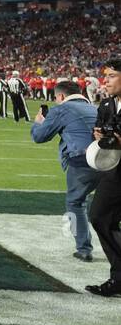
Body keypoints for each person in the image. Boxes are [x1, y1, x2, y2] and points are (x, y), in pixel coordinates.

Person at [31, 79, 102, 262]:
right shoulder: (96, 108)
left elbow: (40, 137)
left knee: (75, 203)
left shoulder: (61, 109)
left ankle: (84, 249)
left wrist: (38, 122)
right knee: (109, 208)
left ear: (61, 96)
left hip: (82, 161)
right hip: (110, 160)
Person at [86, 60, 121, 296]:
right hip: (115, 170)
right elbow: (101, 130)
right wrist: (99, 135)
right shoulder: (107, 103)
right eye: (105, 76)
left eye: (111, 76)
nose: (105, 80)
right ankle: (118, 277)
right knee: (99, 217)